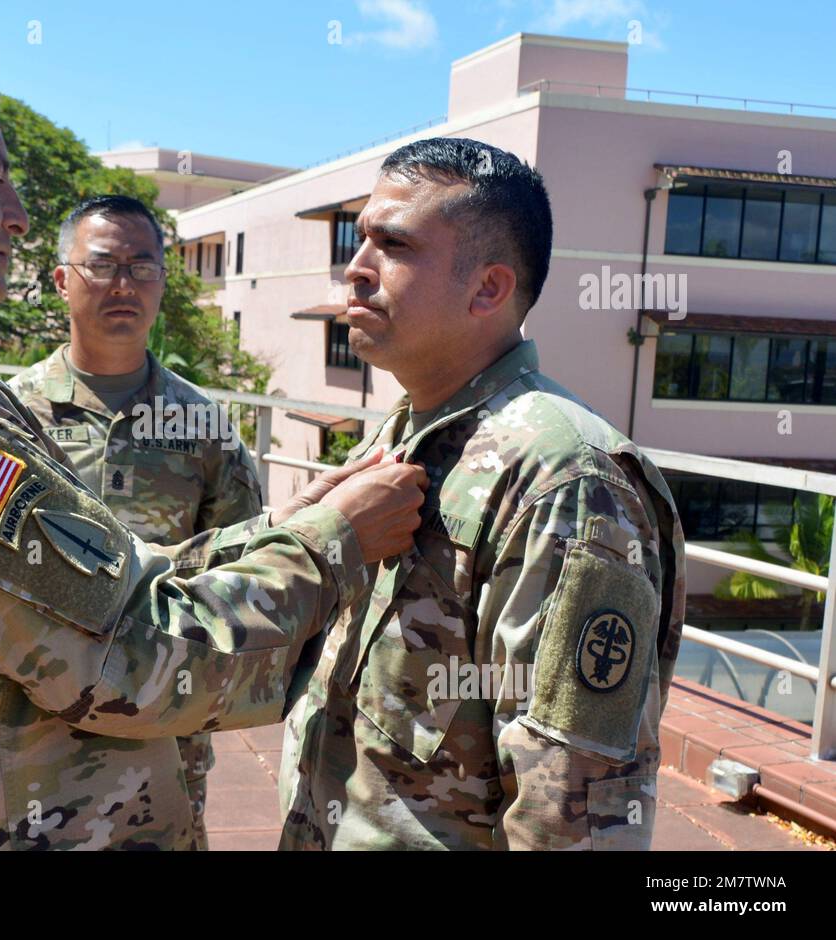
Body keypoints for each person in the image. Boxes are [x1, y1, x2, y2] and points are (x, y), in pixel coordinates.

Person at [0, 30, 427, 850]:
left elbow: (98, 586)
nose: (17, 215)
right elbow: (121, 655)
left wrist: (288, 527)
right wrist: (333, 544)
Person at [278, 138, 686, 850]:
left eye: (393, 244)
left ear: (489, 289)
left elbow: (570, 814)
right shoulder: (408, 429)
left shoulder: (567, 482)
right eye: (359, 238)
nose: (356, 268)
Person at [10, 194, 263, 848]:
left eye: (143, 267)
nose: (124, 284)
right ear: (62, 280)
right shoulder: (8, 418)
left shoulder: (205, 426)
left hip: (163, 724)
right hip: (30, 725)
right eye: (103, 265)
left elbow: (244, 577)